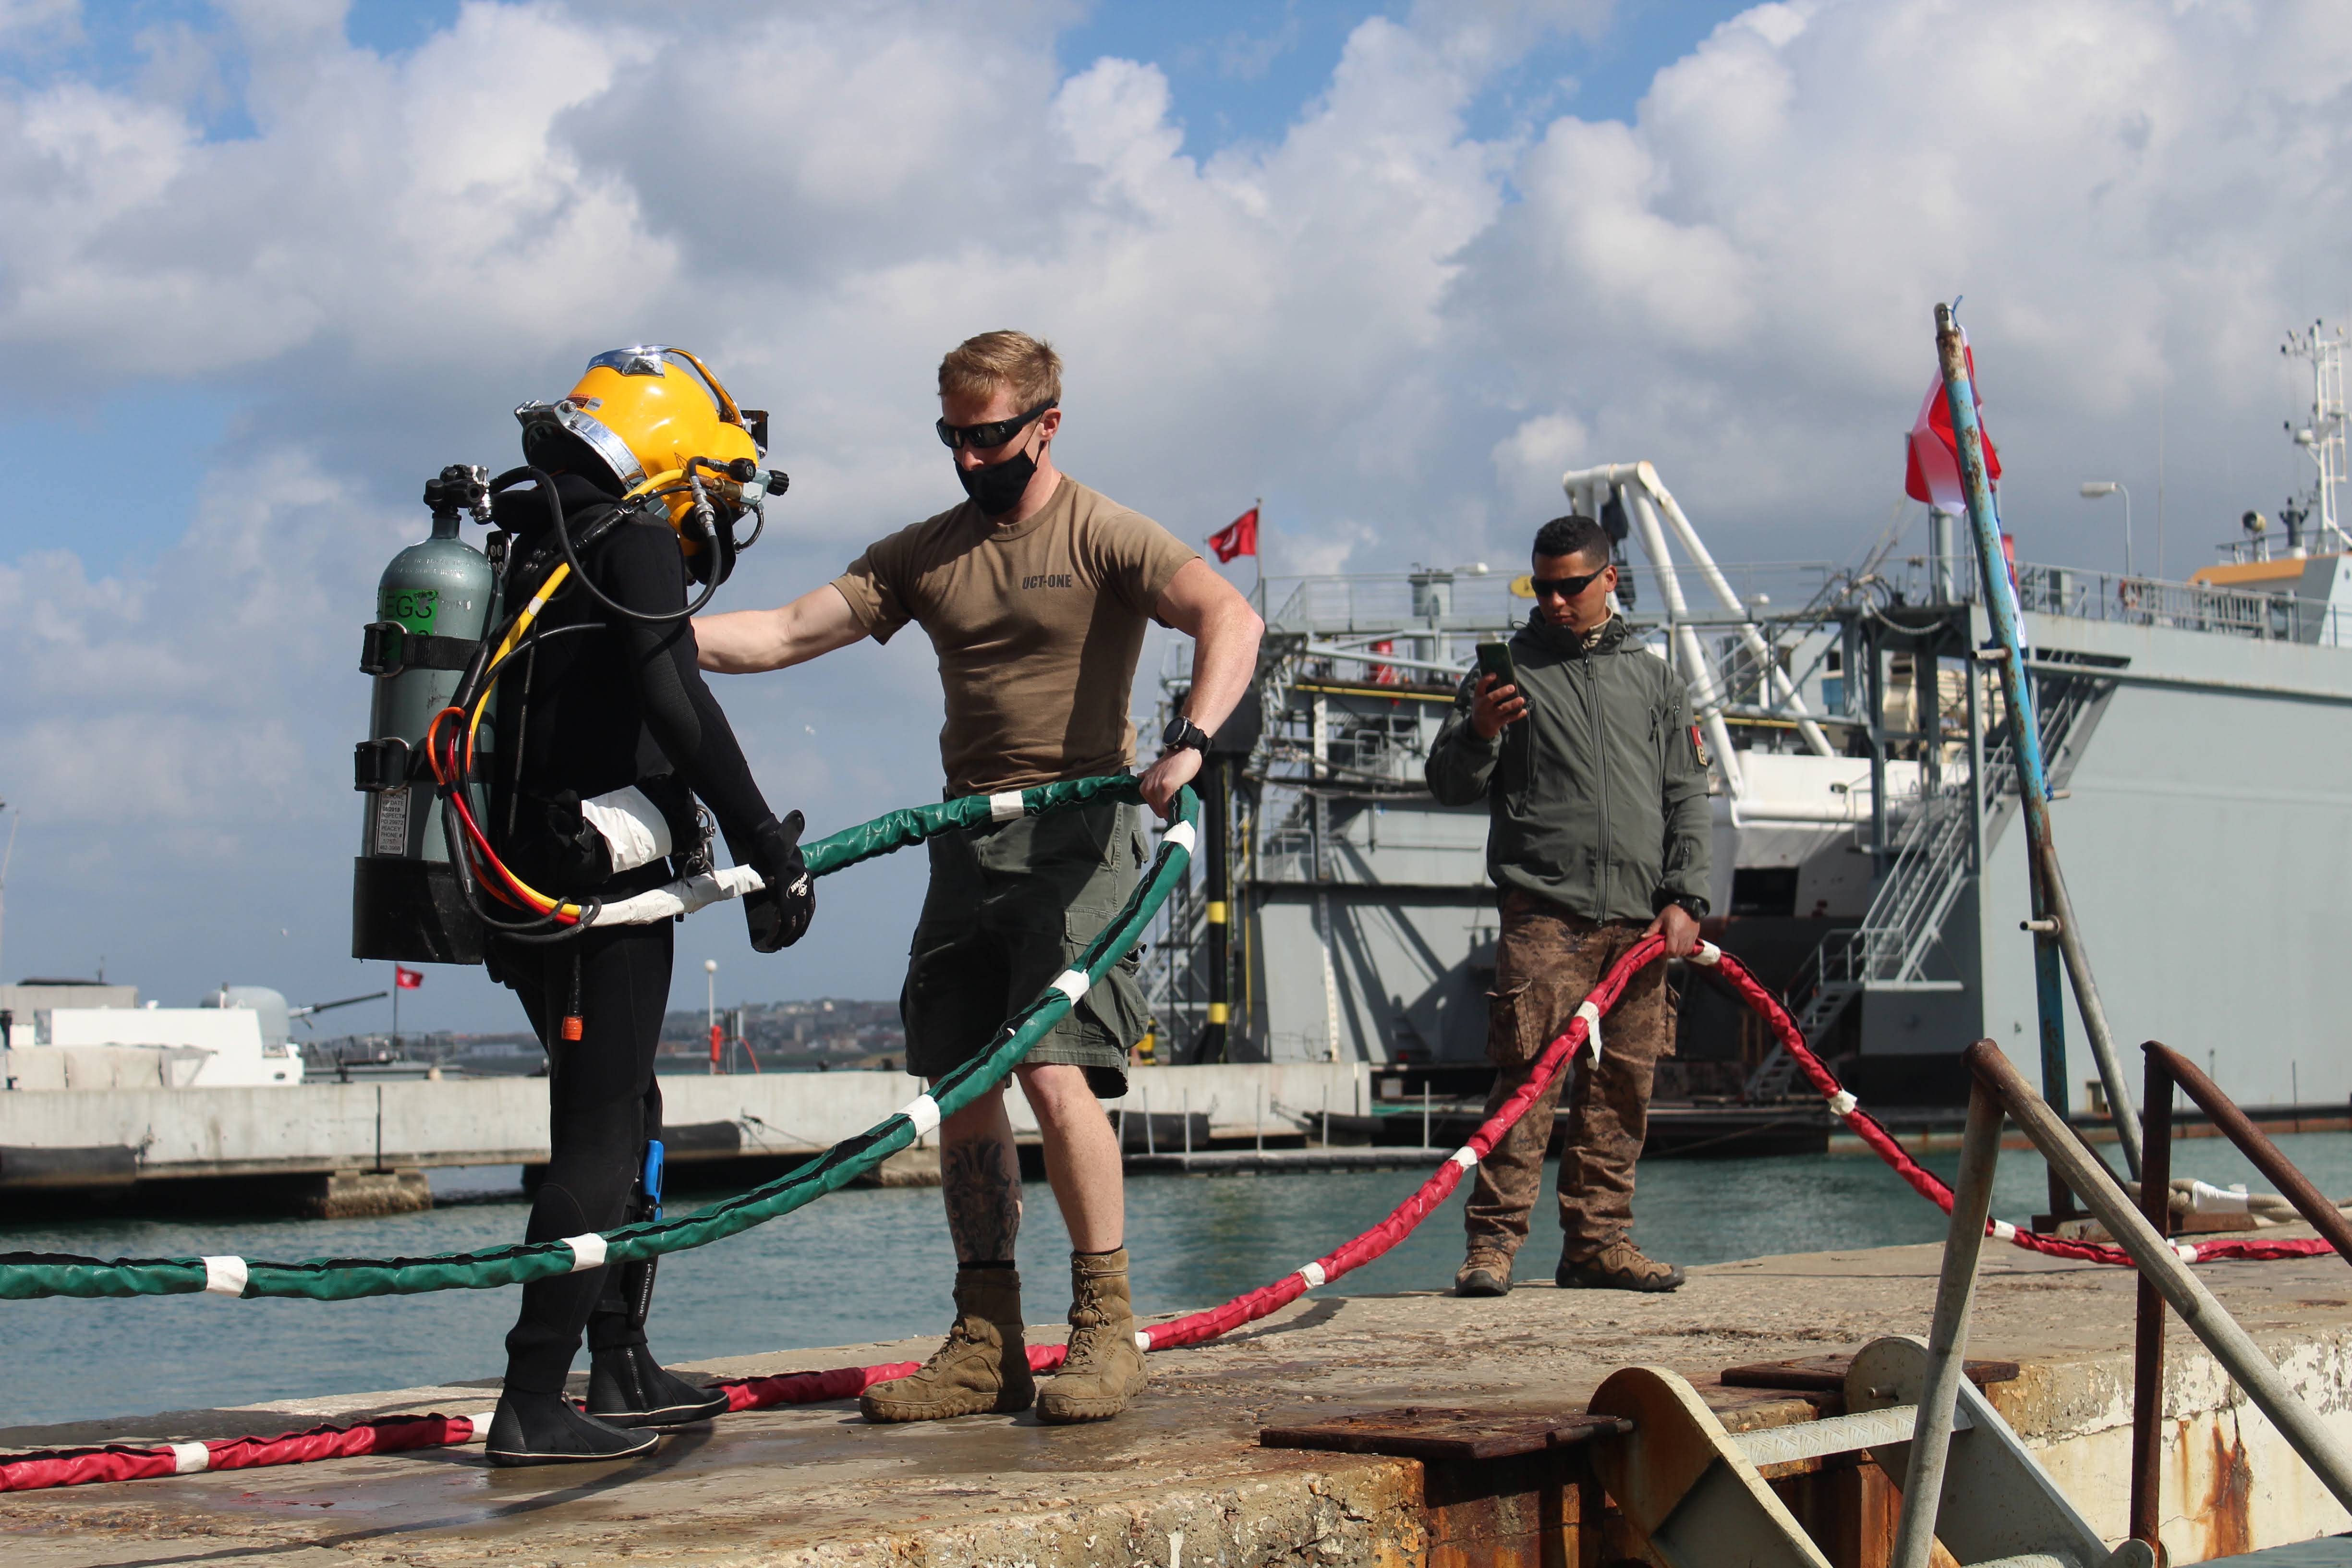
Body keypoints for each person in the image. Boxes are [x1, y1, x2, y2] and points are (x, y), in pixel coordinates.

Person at [696, 330, 1262, 1423]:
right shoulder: (926, 551)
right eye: (951, 436)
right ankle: (985, 1341)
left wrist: (1192, 739)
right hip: (967, 842)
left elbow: (1228, 615)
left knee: (1053, 1070)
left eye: (990, 436)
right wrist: (649, 639)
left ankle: (1104, 1328)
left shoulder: (1103, 531)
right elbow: (784, 632)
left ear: (1046, 424)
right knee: (957, 1086)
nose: (967, 458)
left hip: (1079, 837)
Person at [479, 347, 816, 1465]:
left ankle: (619, 1360)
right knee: (601, 1132)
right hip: (595, 888)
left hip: (520, 866)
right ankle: (532, 1400)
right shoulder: (624, 537)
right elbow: (679, 702)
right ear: (669, 456)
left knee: (633, 1112)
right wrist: (768, 843)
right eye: (708, 489)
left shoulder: (536, 537)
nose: (706, 518)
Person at [1425, 513, 1711, 1296]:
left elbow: (1686, 794)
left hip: (1639, 919)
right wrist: (1480, 729)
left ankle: (1597, 1243)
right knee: (1525, 1083)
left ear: (1608, 579)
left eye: (1570, 587)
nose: (1553, 602)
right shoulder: (1505, 674)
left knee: (1623, 1087)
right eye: (1541, 588)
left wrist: (1686, 896)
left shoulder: (1656, 682)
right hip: (1545, 911)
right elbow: (1448, 782)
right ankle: (1491, 1246)